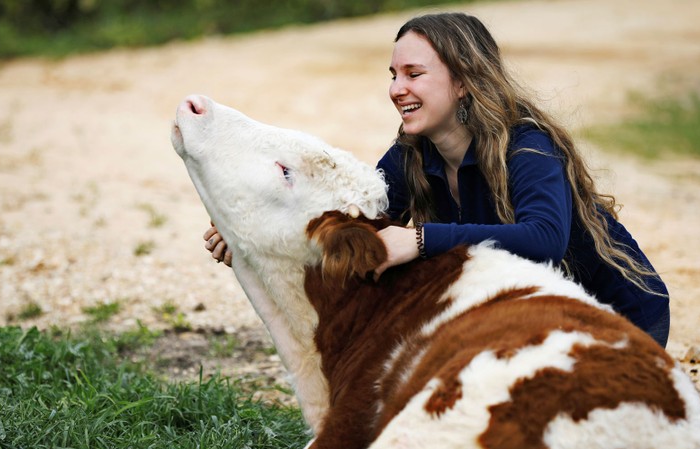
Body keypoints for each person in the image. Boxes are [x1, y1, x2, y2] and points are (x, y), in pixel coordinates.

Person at [206, 12, 670, 348]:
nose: (396, 88)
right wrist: (250, 239)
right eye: (393, 75)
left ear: (464, 80)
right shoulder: (412, 155)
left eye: (414, 73)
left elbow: (545, 238)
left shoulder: (527, 146)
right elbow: (352, 226)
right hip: (535, 326)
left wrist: (421, 240)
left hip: (619, 324)